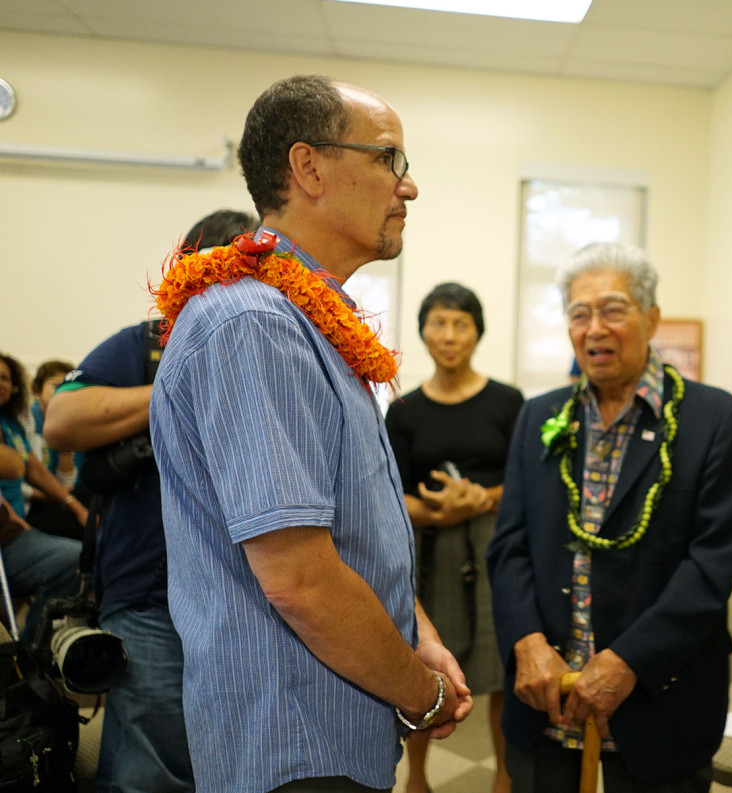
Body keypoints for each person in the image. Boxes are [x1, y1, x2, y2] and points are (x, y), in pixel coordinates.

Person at [147, 74, 471, 793]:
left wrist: (417, 632)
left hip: (327, 730)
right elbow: (299, 579)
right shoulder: (255, 323)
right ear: (310, 167)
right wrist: (422, 693)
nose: (408, 186)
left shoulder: (304, 320)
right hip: (293, 744)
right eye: (391, 158)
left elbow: (353, 529)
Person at [487, 242, 732, 793]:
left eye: (612, 310)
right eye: (579, 314)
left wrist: (627, 661)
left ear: (651, 317)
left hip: (659, 697)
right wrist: (527, 644)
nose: (594, 329)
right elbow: (509, 544)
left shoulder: (715, 420)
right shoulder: (540, 416)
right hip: (547, 700)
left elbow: (710, 567)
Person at [42, 209, 259, 793]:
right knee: (150, 762)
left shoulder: (270, 349)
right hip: (150, 592)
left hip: (250, 601)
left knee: (229, 755)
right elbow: (61, 421)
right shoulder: (147, 345)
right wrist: (183, 376)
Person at [386, 282, 524, 793]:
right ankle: (416, 779)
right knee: (424, 668)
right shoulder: (404, 411)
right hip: (429, 553)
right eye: (438, 323)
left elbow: (528, 482)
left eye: (461, 323)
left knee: (504, 673)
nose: (449, 335)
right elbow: (390, 494)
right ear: (422, 332)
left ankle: (504, 779)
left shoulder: (508, 402)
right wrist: (441, 510)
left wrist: (481, 499)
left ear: (478, 332)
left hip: (497, 550)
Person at [0, 352, 83, 642]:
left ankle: (31, 650)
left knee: (77, 553)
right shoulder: (34, 420)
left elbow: (33, 468)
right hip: (15, 522)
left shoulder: (12, 424)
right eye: (54, 386)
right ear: (37, 391)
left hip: (14, 530)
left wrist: (75, 506)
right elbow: (15, 468)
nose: (0, 383)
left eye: (5, 378)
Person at [26, 359, 85, 540]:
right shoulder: (28, 421)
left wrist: (65, 447)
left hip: (59, 495)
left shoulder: (75, 421)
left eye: (69, 387)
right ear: (37, 391)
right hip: (33, 501)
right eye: (55, 385)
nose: (63, 392)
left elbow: (66, 483)